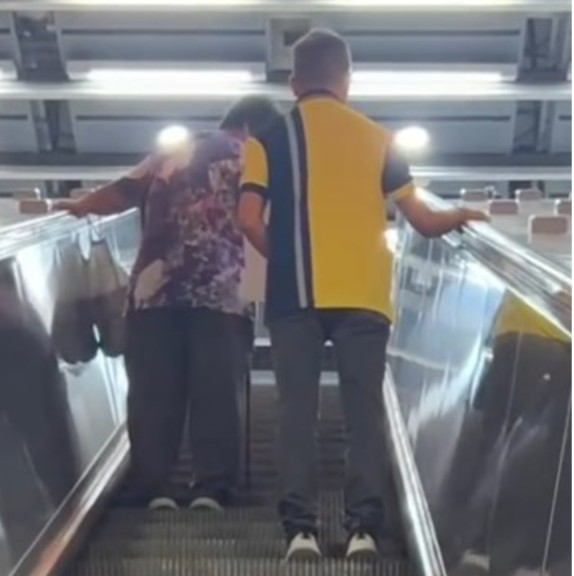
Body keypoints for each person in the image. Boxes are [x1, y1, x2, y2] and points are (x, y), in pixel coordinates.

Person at [236, 28, 488, 562]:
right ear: (346, 80)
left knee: (296, 411)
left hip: (294, 297)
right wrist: (462, 214)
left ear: (293, 82)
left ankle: (299, 531)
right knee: (364, 410)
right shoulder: (379, 138)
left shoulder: (268, 139)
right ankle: (363, 531)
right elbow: (422, 220)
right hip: (365, 295)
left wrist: (284, 259)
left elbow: (247, 219)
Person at [53, 96, 283, 512]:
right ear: (255, 130)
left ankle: (153, 486)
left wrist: (78, 207)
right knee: (217, 392)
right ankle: (212, 488)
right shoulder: (257, 158)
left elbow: (124, 191)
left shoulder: (178, 148)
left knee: (153, 393)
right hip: (222, 297)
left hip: (152, 294)